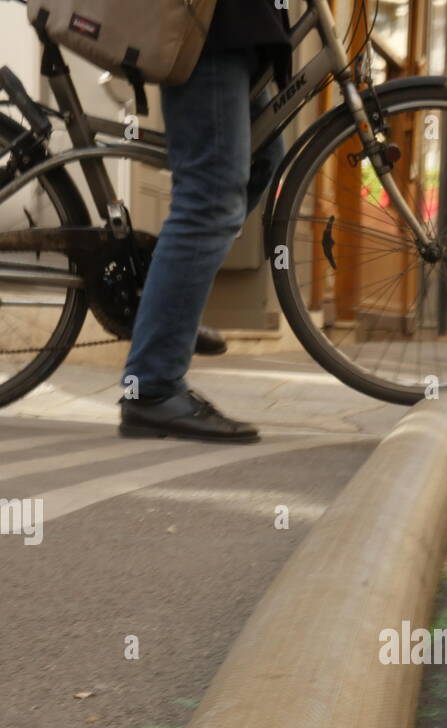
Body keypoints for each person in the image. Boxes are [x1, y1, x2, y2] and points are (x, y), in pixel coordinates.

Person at [120, 1, 291, 442]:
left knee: (263, 157)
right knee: (210, 197)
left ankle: (166, 312)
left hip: (238, 29)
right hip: (211, 25)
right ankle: (152, 389)